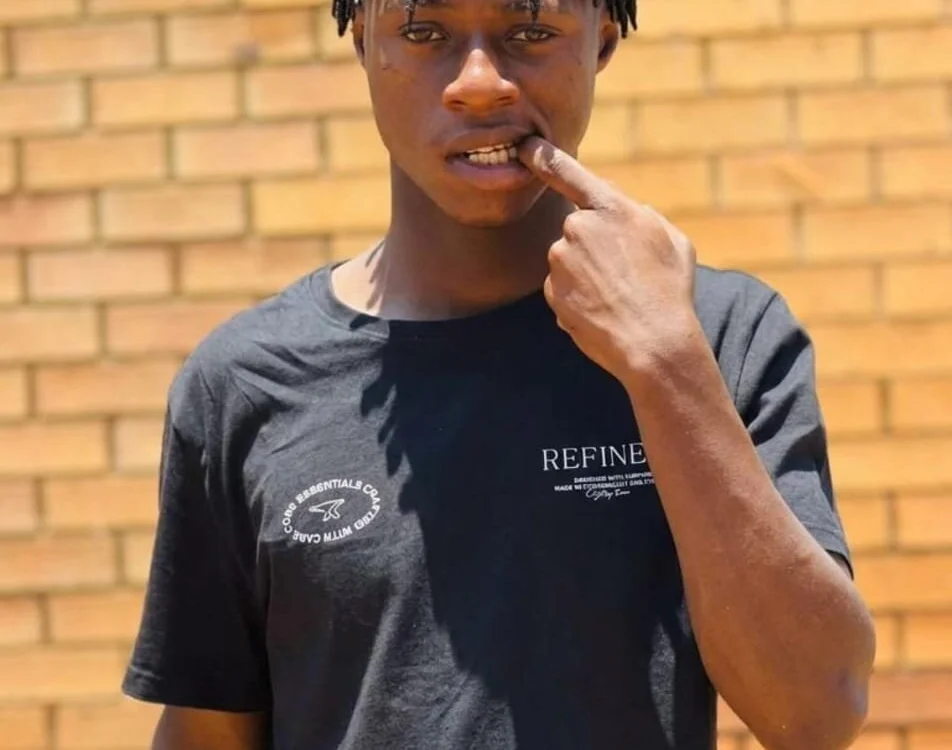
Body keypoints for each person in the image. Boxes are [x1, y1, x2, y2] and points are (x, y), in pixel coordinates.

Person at [122, 0, 876, 748]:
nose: (480, 84)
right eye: (423, 32)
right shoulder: (246, 382)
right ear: (362, 42)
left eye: (531, 32)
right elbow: (206, 732)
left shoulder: (717, 335)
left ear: (601, 42)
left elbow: (815, 713)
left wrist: (665, 364)